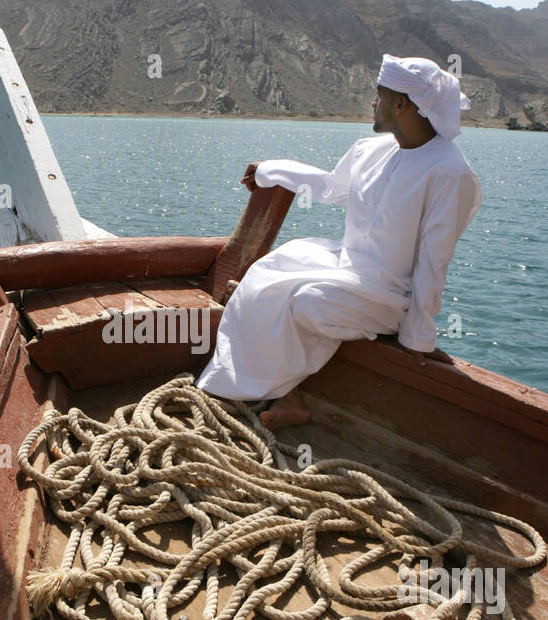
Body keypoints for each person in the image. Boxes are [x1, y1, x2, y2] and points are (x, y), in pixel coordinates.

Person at [196, 54, 483, 429]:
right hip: (347, 265)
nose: (372, 103)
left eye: (379, 95)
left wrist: (418, 339)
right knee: (264, 275)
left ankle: (278, 390)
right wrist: (268, 171)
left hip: (392, 294)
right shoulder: (372, 150)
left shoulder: (449, 172)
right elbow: (331, 186)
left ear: (402, 104)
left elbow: (434, 259)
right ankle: (281, 392)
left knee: (309, 303)